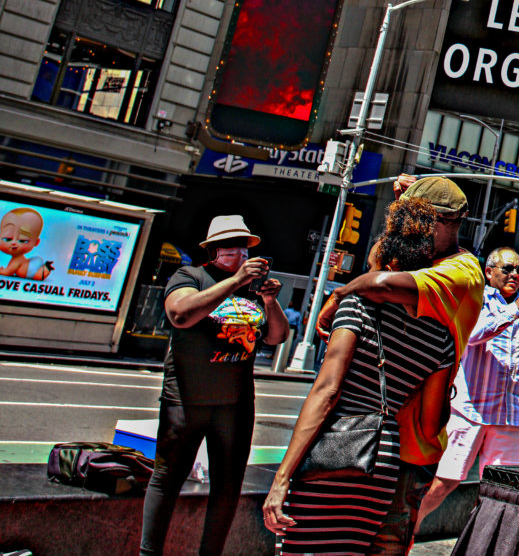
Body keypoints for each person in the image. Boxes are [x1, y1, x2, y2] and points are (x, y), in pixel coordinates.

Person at [262, 196, 457, 554]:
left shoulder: (357, 307)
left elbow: (327, 391)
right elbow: (431, 424)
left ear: (385, 268)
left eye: (369, 267)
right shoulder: (441, 335)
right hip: (382, 461)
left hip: (336, 449)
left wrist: (282, 476)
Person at [313, 175, 485, 555]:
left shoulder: (463, 271)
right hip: (358, 431)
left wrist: (341, 291)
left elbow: (384, 285)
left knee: (384, 545)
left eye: (417, 222)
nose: (411, 230)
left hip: (408, 449)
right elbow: (379, 264)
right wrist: (398, 223)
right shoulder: (418, 254)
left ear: (442, 224)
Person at [140, 215, 290, 556]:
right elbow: (180, 315)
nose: (238, 253)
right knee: (167, 479)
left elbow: (277, 336)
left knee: (227, 487)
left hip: (234, 404)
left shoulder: (253, 290)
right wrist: (235, 281)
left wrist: (270, 301)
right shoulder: (190, 276)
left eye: (243, 247)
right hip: (186, 401)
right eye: (229, 247)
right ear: (213, 250)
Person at [415, 248, 519, 526]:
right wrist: (514, 310)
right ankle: (405, 532)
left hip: (510, 417)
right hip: (471, 411)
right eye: (507, 268)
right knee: (445, 481)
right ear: (489, 272)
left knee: (499, 493)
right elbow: (472, 335)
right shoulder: (478, 299)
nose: (515, 275)